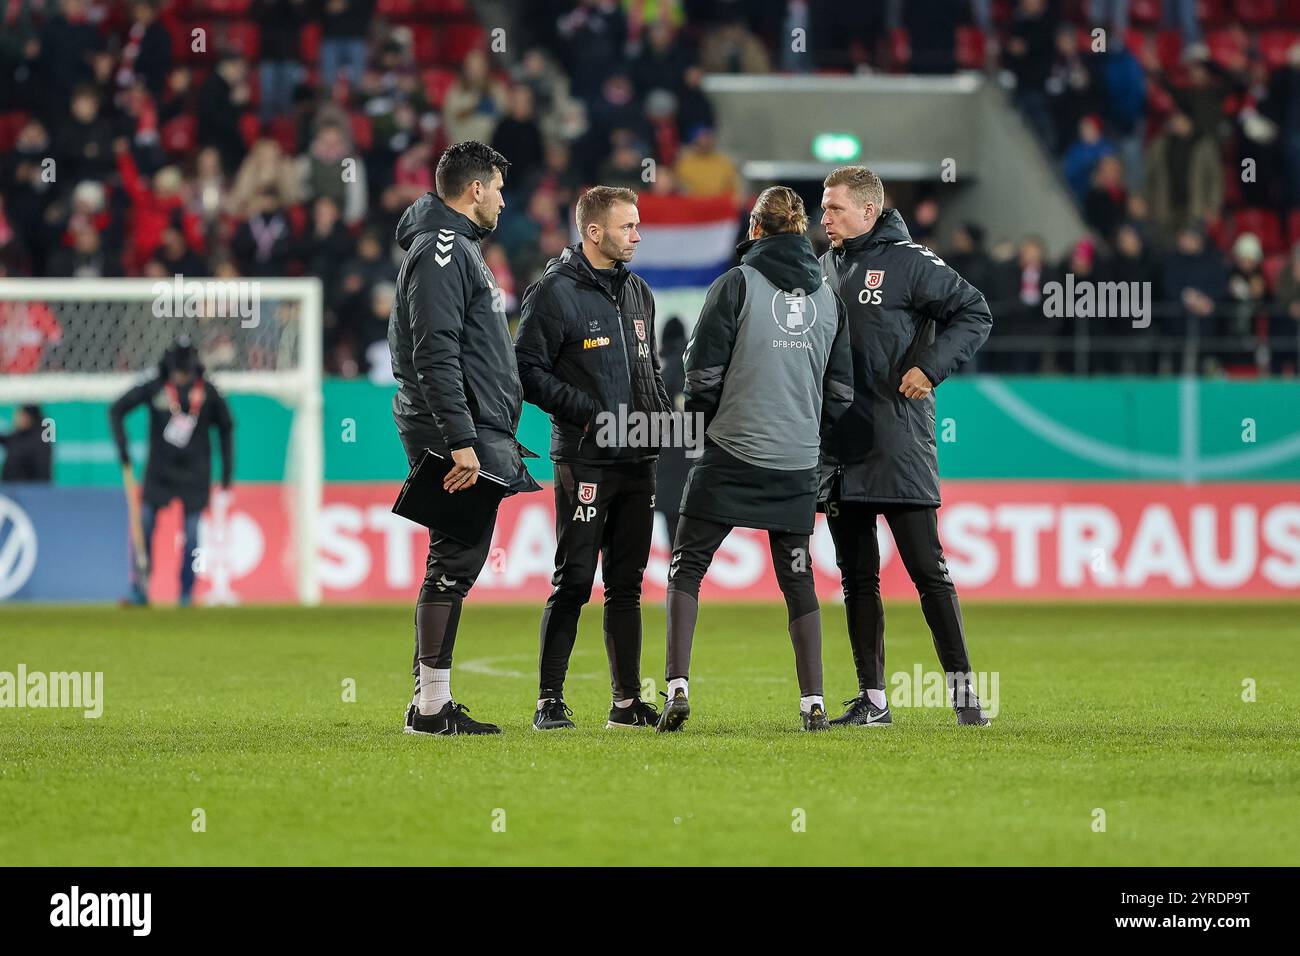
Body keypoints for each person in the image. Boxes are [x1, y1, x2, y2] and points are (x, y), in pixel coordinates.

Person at [656, 186, 854, 734]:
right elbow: (841, 392)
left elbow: (699, 373)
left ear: (755, 231)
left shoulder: (736, 284)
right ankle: (813, 702)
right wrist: (807, 435)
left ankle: (676, 688)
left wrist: (708, 418)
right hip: (796, 463)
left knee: (687, 565)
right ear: (802, 230)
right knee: (798, 577)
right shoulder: (829, 298)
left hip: (730, 454)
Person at [817, 165, 993, 727]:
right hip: (839, 450)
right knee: (856, 578)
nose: (825, 217)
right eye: (823, 208)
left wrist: (930, 367)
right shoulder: (821, 269)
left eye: (835, 208)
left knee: (927, 570)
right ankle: (873, 700)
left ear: (869, 211)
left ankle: (966, 699)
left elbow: (975, 312)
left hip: (897, 443)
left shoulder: (911, 262)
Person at [389, 141, 541, 737]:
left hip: (470, 424)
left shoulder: (456, 249)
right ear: (475, 189)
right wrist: (459, 439)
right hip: (456, 428)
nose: (504, 199)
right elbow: (436, 350)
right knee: (457, 555)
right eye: (498, 187)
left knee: (456, 553)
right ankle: (430, 709)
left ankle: (430, 700)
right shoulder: (445, 251)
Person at [514, 185, 670, 730]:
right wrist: (586, 412)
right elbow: (527, 371)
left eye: (637, 224)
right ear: (594, 232)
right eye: (628, 226)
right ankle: (548, 701)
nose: (637, 234)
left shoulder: (639, 293)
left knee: (627, 584)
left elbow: (648, 370)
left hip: (638, 457)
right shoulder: (553, 293)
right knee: (575, 579)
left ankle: (626, 703)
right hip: (585, 457)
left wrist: (661, 419)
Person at [108, 338, 234, 607]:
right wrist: (122, 447)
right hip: (159, 473)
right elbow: (117, 409)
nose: (181, 378)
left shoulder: (208, 393)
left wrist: (227, 473)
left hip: (195, 474)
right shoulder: (156, 388)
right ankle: (140, 587)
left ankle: (187, 593)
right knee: (143, 524)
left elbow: (227, 427)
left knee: (191, 536)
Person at [0, 405, 52, 483]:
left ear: (29, 417)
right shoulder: (16, 436)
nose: (16, 418)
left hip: (30, 491)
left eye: (20, 415)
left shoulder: (41, 442)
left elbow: (42, 475)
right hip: (9, 490)